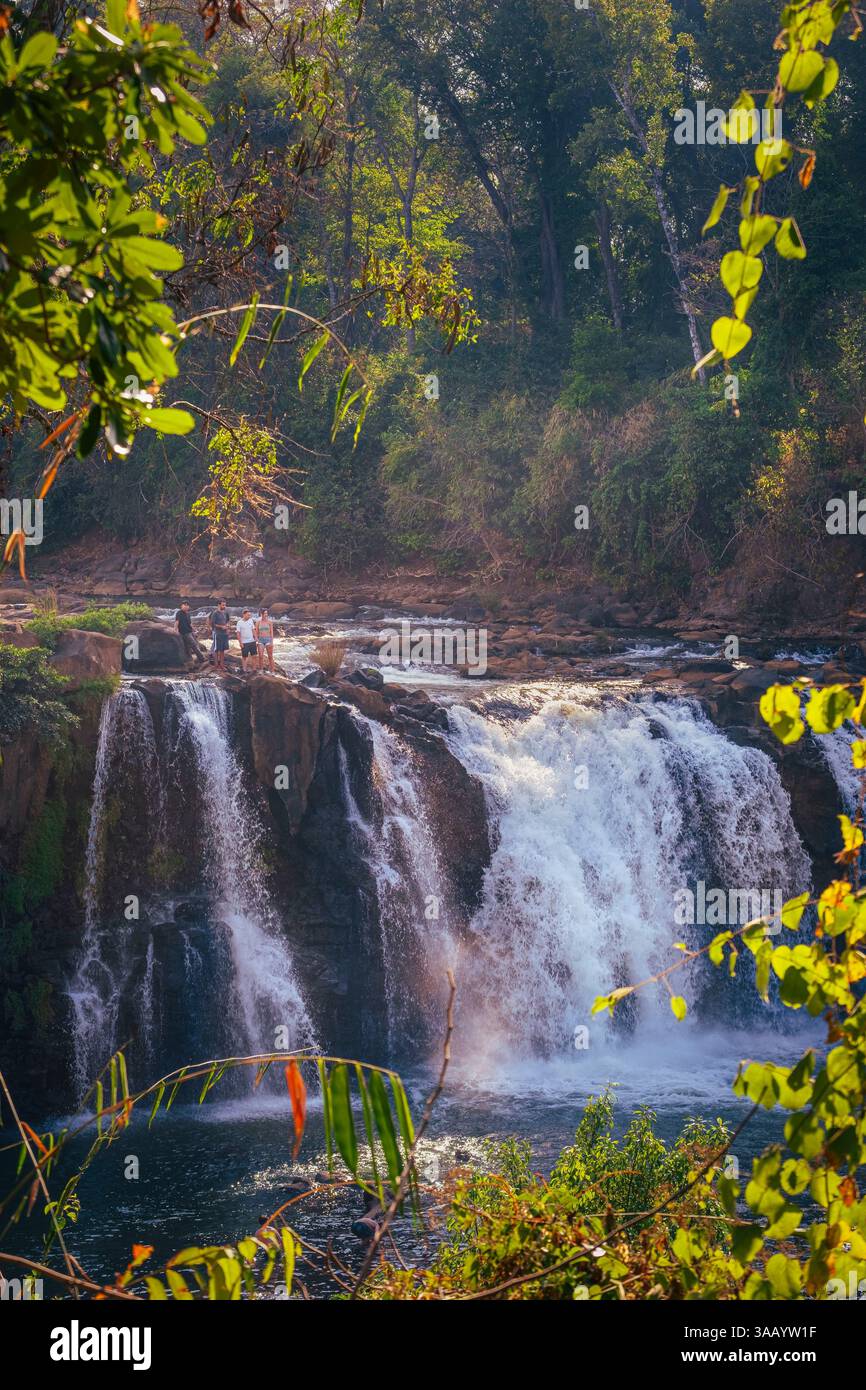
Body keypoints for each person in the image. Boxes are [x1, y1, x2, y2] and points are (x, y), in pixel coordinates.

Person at [175, 601, 206, 666]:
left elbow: (190, 623)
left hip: (189, 631)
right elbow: (177, 622)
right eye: (184, 605)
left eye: (187, 605)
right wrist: (176, 630)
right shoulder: (179, 613)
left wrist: (194, 630)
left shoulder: (188, 614)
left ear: (188, 606)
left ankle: (191, 659)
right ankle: (201, 658)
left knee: (191, 645)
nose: (186, 606)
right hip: (184, 632)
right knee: (194, 644)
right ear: (181, 606)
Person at [209, 598, 230, 672]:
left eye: (225, 605)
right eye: (223, 605)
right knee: (216, 649)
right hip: (217, 633)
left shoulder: (226, 613)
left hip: (224, 633)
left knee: (222, 650)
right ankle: (216, 665)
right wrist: (221, 627)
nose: (224, 606)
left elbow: (228, 621)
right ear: (219, 605)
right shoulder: (215, 613)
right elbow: (213, 624)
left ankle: (222, 665)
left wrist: (227, 627)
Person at [236, 608, 258, 674]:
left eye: (250, 615)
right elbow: (238, 633)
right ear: (244, 615)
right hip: (244, 642)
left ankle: (254, 669)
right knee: (244, 657)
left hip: (252, 641)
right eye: (248, 615)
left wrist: (256, 637)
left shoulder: (250, 620)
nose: (249, 616)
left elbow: (253, 630)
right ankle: (244, 670)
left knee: (254, 655)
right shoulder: (239, 622)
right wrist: (240, 643)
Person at [256, 607, 276, 673]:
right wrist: (257, 641)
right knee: (261, 656)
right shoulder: (258, 622)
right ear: (261, 614)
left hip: (268, 640)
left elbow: (272, 633)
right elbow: (256, 633)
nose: (266, 614)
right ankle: (261, 670)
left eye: (267, 613)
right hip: (260, 640)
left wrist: (272, 642)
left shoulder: (270, 622)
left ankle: (272, 671)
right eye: (264, 613)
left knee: (270, 657)